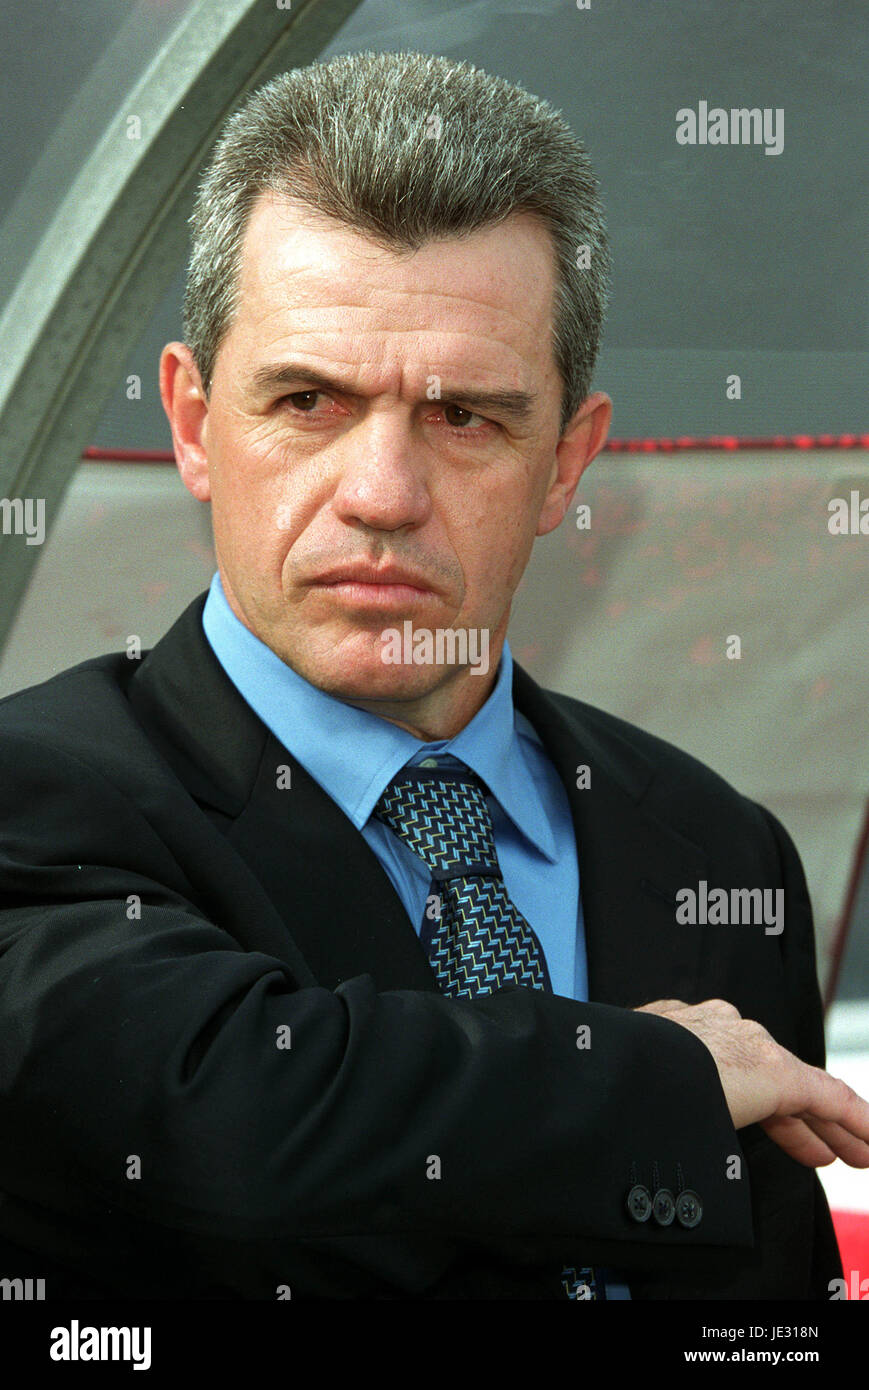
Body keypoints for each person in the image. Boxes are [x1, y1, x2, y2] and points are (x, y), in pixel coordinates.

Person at [0, 50, 866, 1302]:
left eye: (464, 417)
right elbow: (230, 1118)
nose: (383, 495)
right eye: (307, 400)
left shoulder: (716, 854)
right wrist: (650, 1079)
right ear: (193, 425)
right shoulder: (33, 797)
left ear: (568, 462)